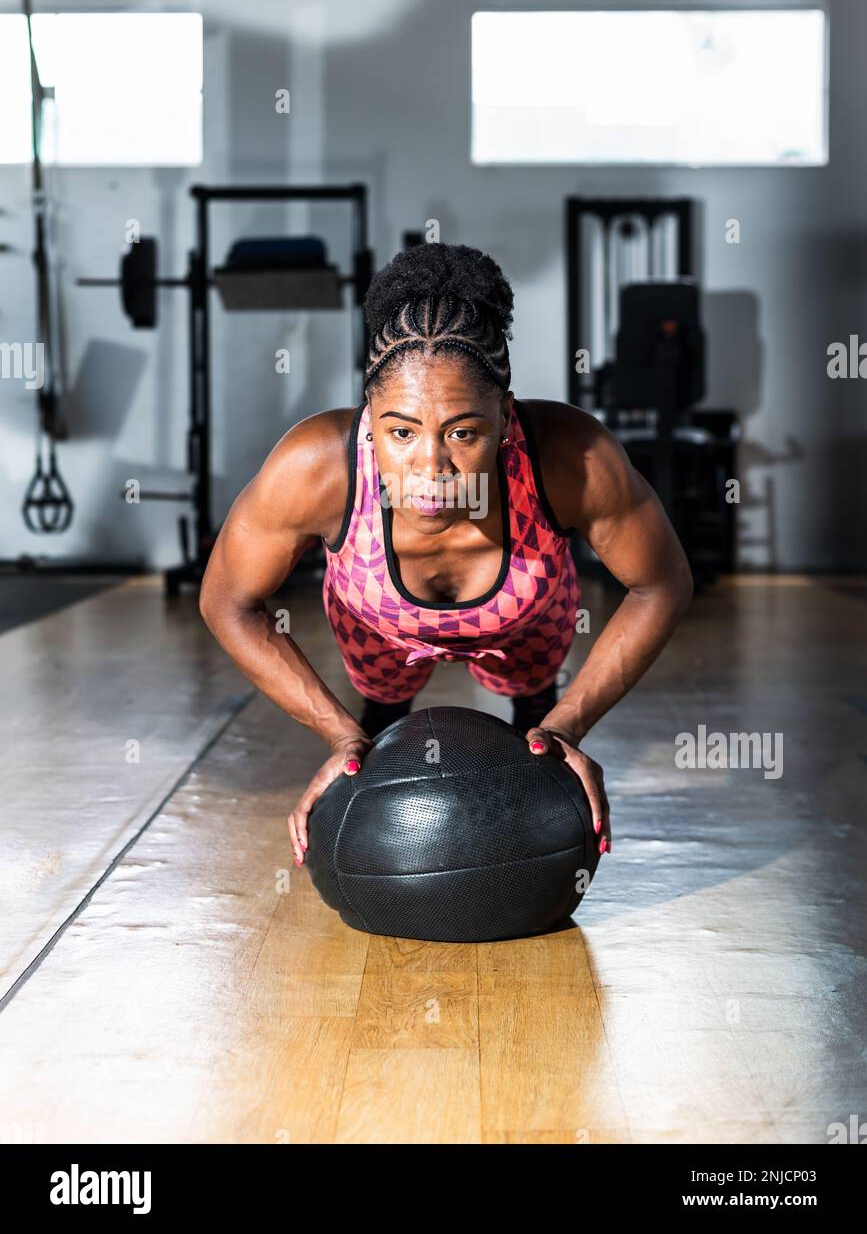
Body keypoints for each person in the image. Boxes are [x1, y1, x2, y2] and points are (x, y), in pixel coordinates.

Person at [199, 242, 693, 871]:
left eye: (463, 432)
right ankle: (374, 732)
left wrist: (568, 725)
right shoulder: (316, 468)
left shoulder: (572, 459)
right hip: (376, 626)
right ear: (369, 417)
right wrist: (339, 735)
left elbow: (663, 584)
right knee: (376, 726)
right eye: (401, 432)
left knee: (537, 728)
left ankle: (540, 724)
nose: (431, 469)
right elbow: (227, 602)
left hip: (528, 624)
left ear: (506, 417)